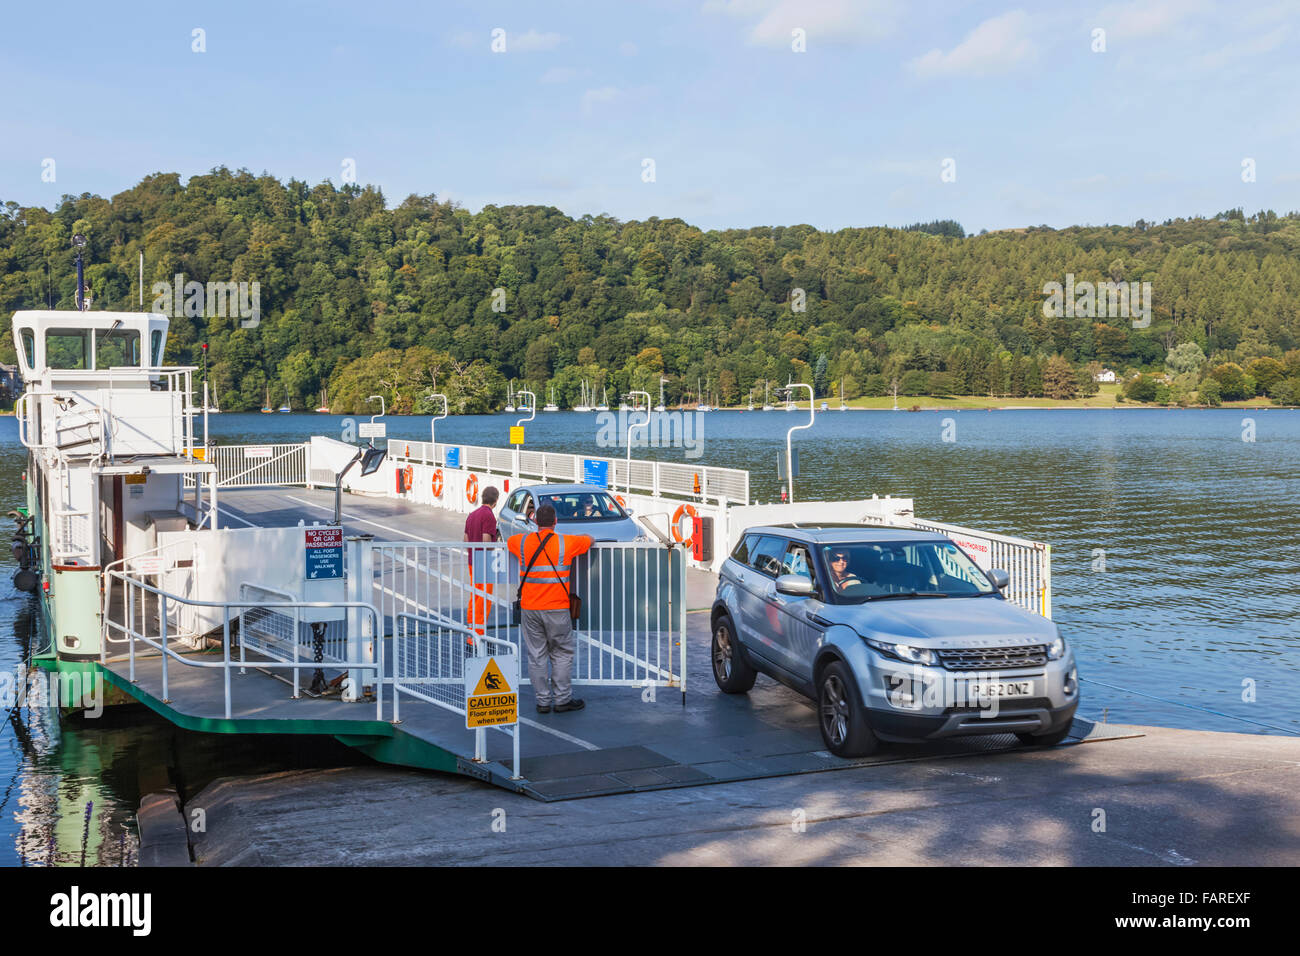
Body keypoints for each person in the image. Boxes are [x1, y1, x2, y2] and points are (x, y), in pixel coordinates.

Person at [507, 503, 592, 714]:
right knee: (561, 653)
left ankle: (543, 702)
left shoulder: (522, 541)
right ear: (555, 522)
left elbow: (509, 541)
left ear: (535, 522)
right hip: (557, 609)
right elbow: (590, 540)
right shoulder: (566, 542)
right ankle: (562, 700)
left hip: (530, 608)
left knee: (536, 655)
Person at [463, 486, 500, 640]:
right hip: (485, 561)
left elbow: (465, 540)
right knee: (484, 599)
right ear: (496, 501)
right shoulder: (489, 516)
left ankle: (471, 630)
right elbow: (486, 540)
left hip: (472, 560)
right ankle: (478, 635)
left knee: (475, 596)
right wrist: (495, 540)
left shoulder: (472, 515)